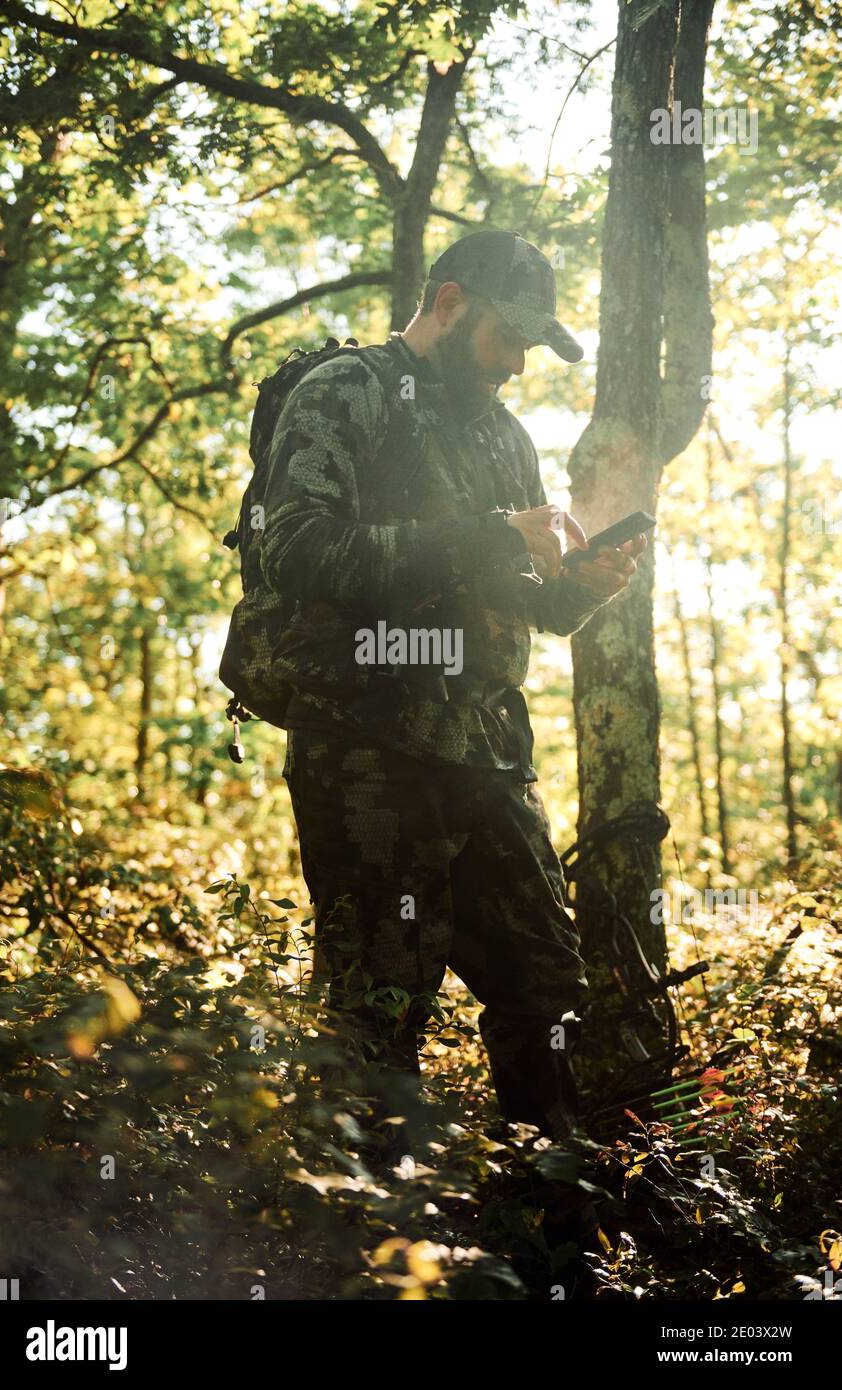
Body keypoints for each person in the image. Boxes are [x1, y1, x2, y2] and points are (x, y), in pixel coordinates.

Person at [253, 228, 647, 1147]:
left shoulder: (506, 440)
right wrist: (493, 532)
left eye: (531, 348)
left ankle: (551, 1226)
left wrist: (574, 593)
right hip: (367, 753)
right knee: (376, 1011)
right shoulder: (344, 392)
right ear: (450, 302)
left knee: (547, 987)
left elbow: (523, 602)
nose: (516, 365)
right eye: (509, 337)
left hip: (485, 754)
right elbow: (298, 550)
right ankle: (368, 1248)